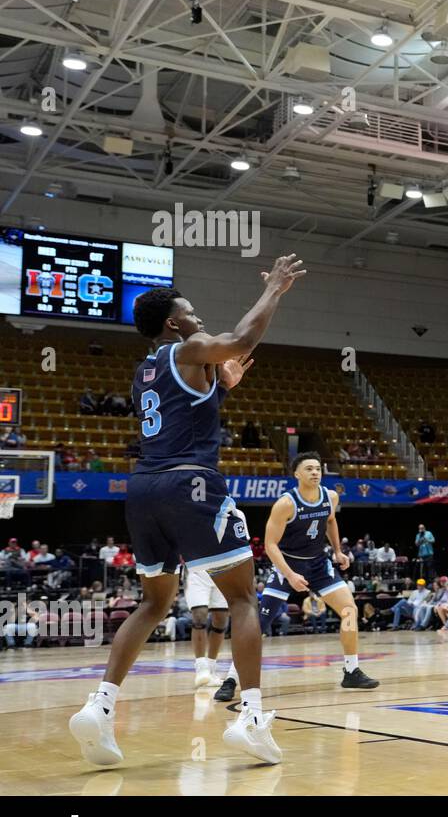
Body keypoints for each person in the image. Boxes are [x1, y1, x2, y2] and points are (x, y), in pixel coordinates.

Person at [68, 258, 304, 768]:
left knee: (153, 604)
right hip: (191, 483)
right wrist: (276, 291)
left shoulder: (145, 371)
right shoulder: (190, 348)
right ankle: (252, 718)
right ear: (174, 323)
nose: (198, 318)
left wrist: (221, 387)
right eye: (191, 312)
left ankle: (100, 705)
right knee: (242, 599)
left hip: (143, 488)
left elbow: (186, 405)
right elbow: (241, 337)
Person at [252, 452, 379, 691]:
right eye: (309, 469)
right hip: (289, 564)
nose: (315, 472)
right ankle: (232, 677)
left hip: (318, 563)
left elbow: (330, 520)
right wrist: (289, 574)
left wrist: (338, 551)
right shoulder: (285, 504)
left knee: (350, 610)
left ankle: (351, 670)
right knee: (260, 622)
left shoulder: (330, 496)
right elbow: (270, 545)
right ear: (297, 474)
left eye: (318, 469)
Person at [184, 557, 231, 690]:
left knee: (221, 619)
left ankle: (211, 668)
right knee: (199, 616)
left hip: (221, 569)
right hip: (196, 568)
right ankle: (201, 668)